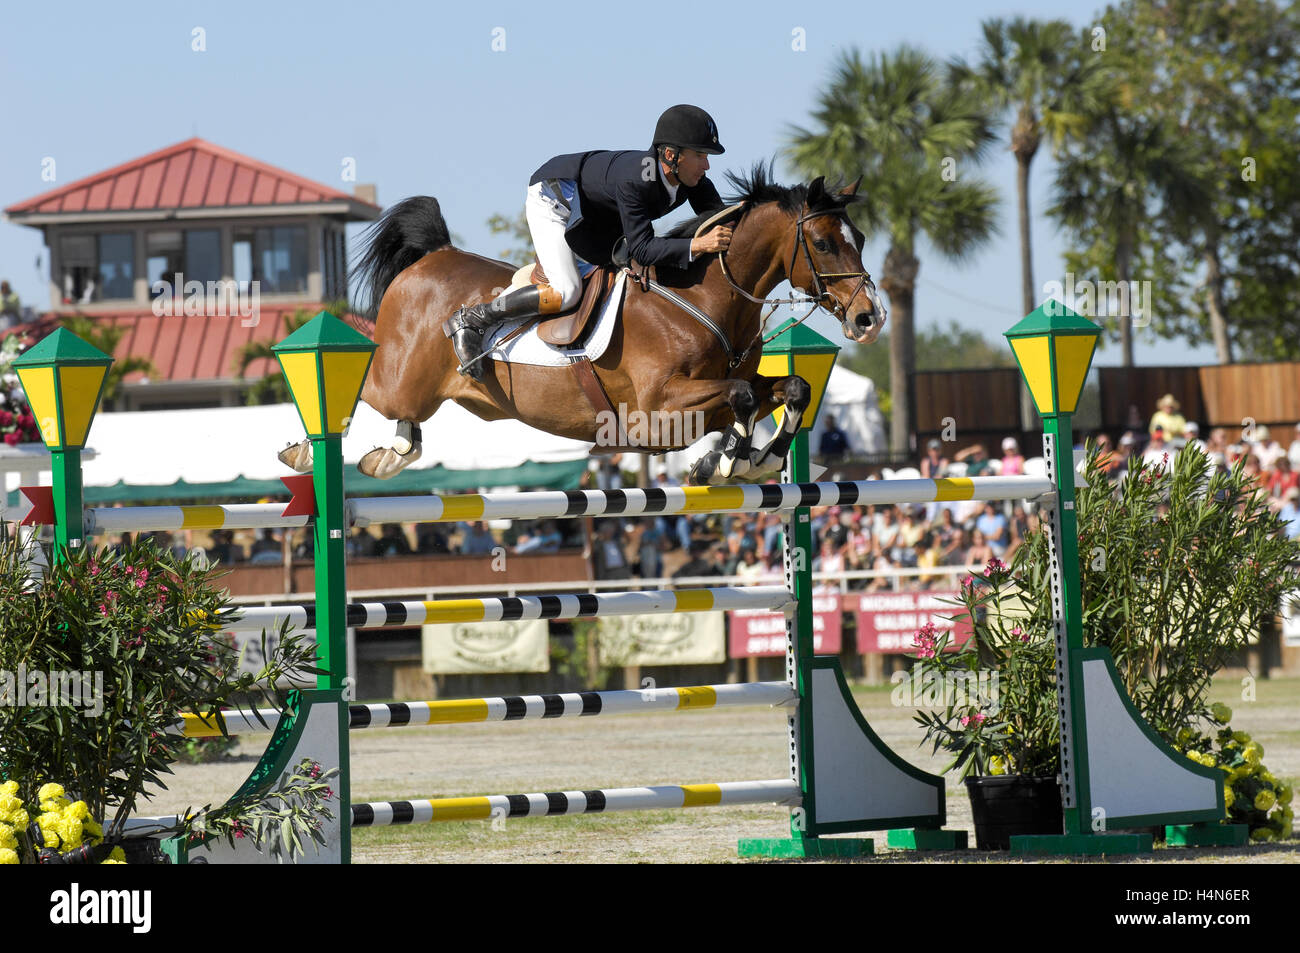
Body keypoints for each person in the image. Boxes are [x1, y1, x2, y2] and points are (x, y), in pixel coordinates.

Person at [447, 105, 731, 379]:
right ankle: (474, 318)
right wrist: (698, 245)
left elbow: (725, 220)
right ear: (671, 154)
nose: (706, 165)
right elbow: (643, 249)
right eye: (700, 155)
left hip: (598, 215)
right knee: (566, 290)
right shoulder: (637, 179)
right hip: (556, 198)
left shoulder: (693, 180)